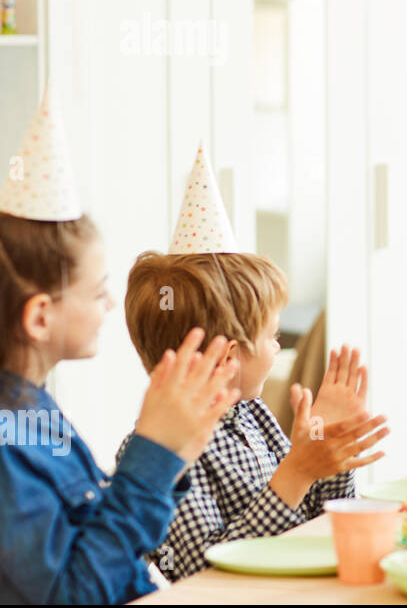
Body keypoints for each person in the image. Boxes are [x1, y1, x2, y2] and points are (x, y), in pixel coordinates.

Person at [0, 93, 236, 603]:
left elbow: (102, 538)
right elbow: (75, 599)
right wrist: (151, 454)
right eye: (97, 291)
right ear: (40, 315)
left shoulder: (32, 410)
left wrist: (173, 455)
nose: (111, 302)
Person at [118, 144, 388, 581]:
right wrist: (296, 472)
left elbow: (315, 522)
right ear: (228, 357)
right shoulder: (160, 451)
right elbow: (207, 571)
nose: (278, 348)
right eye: (272, 337)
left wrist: (326, 456)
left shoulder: (254, 417)